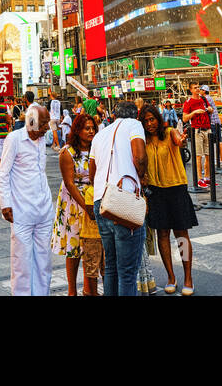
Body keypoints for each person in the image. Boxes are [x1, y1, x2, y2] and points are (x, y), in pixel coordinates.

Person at [88, 100, 147, 296]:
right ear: (135, 115)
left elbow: (92, 172)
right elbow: (139, 157)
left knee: (111, 266)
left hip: (101, 201)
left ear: (113, 115)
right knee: (128, 271)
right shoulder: (134, 125)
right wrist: (143, 177)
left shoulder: (100, 134)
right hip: (124, 202)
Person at [140, 102, 198, 294]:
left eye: (152, 119)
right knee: (162, 234)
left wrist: (181, 140)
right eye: (146, 121)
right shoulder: (143, 141)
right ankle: (171, 277)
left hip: (176, 188)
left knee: (181, 234)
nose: (150, 124)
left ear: (158, 118)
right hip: (155, 192)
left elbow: (178, 139)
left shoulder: (170, 132)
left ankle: (188, 277)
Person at [0, 104, 55, 296]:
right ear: (31, 123)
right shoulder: (14, 139)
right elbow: (3, 174)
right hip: (21, 211)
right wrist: (5, 203)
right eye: (44, 123)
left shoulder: (40, 140)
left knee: (44, 261)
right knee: (21, 263)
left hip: (44, 210)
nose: (48, 127)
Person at [53, 113, 99, 296]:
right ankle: (72, 291)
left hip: (91, 199)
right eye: (86, 128)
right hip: (73, 203)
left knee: (90, 247)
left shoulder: (96, 148)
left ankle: (89, 289)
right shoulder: (67, 152)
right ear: (77, 130)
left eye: (93, 128)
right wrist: (85, 206)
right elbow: (69, 183)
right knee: (73, 250)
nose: (91, 131)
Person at [182, 82, 214, 187]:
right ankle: (200, 179)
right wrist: (195, 112)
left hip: (207, 129)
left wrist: (210, 109)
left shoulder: (203, 99)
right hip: (198, 130)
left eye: (198, 88)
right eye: (195, 88)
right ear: (190, 90)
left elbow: (211, 110)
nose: (197, 89)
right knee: (199, 156)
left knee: (209, 155)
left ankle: (207, 178)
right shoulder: (188, 102)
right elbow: (184, 118)